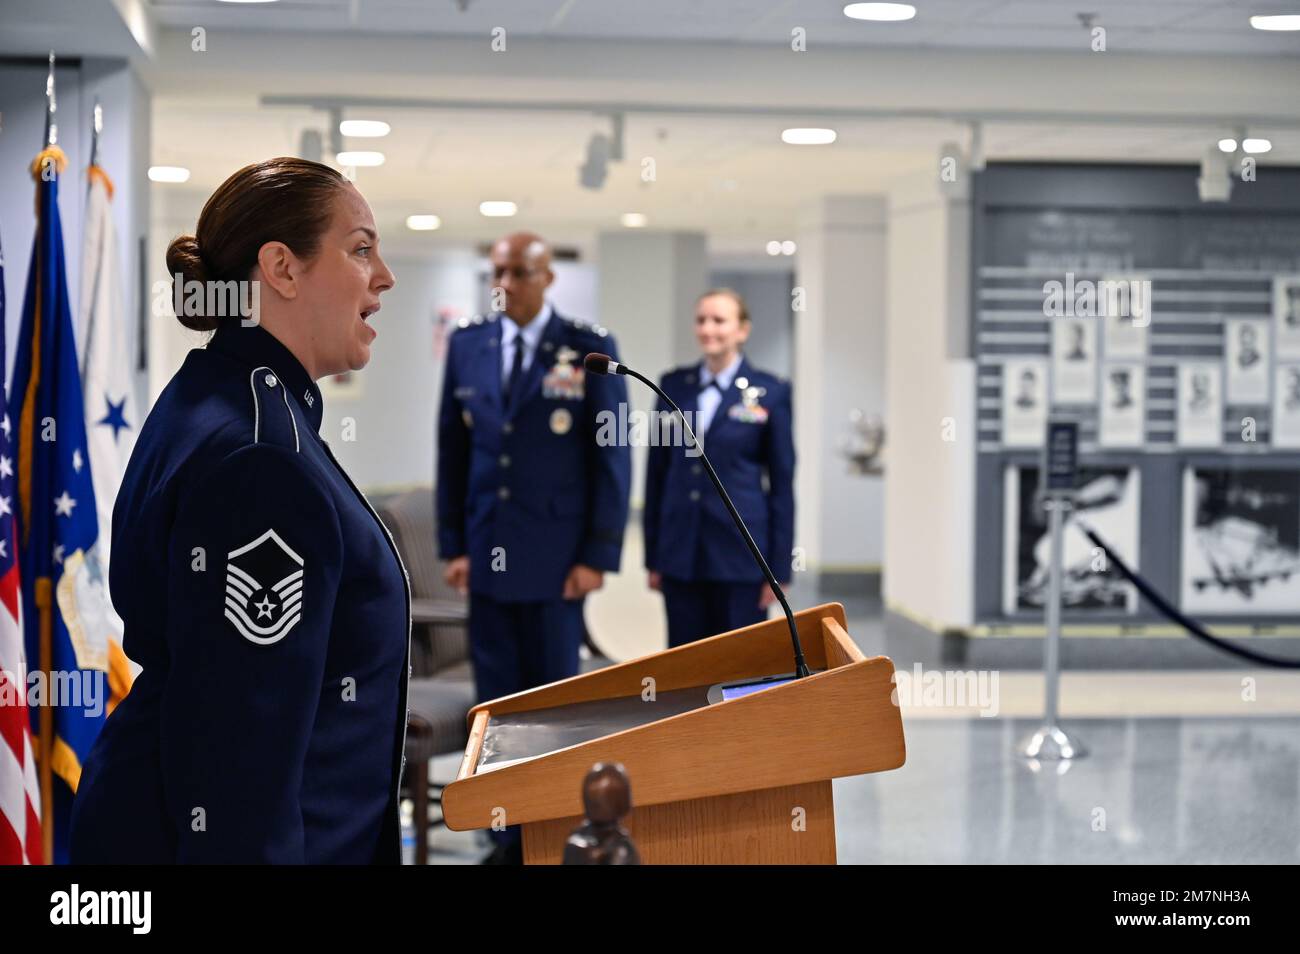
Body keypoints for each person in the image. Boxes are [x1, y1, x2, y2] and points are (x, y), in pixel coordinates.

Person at [70, 157, 408, 864]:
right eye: (361, 248)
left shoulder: (229, 396)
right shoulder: (260, 455)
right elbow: (237, 752)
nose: (384, 277)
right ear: (281, 270)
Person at [436, 231, 631, 863]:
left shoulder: (588, 347)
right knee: (493, 706)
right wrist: (453, 545)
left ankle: (547, 829)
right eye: (497, 271)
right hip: (487, 554)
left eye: (519, 272)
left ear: (547, 278)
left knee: (550, 704)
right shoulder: (468, 345)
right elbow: (453, 451)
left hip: (557, 562)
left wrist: (597, 556)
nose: (505, 283)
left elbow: (612, 456)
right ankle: (503, 836)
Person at [643, 288, 795, 647]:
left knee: (740, 663)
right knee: (685, 664)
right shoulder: (674, 385)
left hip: (742, 555)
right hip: (682, 552)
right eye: (701, 320)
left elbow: (782, 484)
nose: (708, 328)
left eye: (719, 320)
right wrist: (654, 554)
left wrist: (778, 567)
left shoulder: (770, 391)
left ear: (742, 330)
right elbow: (657, 473)